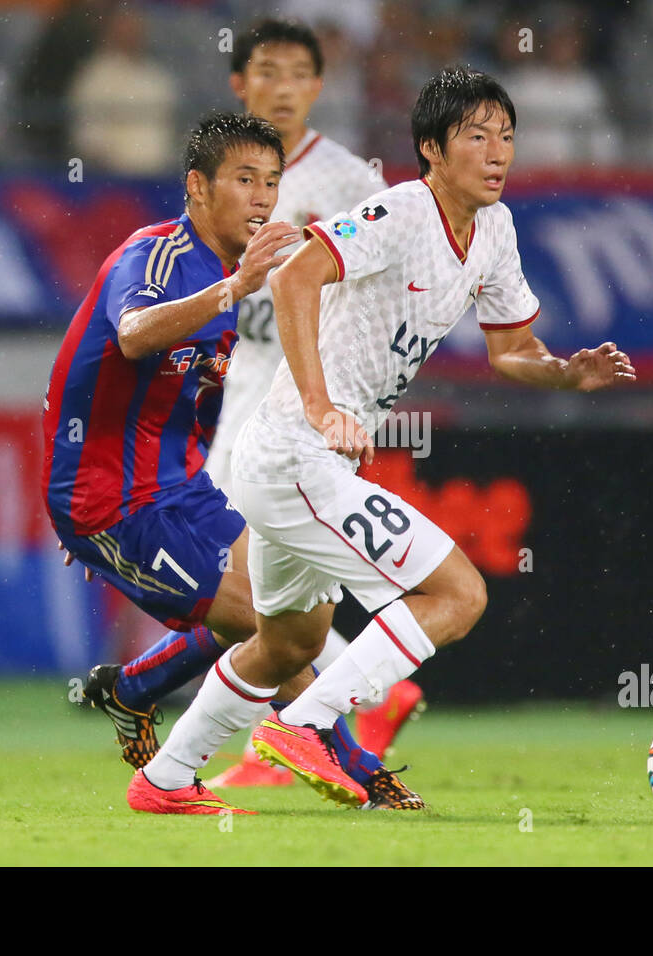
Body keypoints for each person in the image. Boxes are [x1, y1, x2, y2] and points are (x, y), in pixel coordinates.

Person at [139, 66, 636, 810]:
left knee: (289, 643)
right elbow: (294, 276)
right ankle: (307, 724)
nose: (498, 152)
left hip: (296, 462)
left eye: (507, 136)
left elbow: (511, 351)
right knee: (458, 593)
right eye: (477, 136)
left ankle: (166, 780)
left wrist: (568, 374)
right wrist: (319, 405)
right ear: (433, 150)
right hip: (294, 452)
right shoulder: (401, 213)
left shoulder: (493, 230)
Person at [42, 112, 407, 814]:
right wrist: (81, 522)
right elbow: (131, 335)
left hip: (179, 485)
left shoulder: (232, 280)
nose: (263, 197)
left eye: (271, 181)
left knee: (288, 615)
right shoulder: (153, 259)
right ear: (197, 188)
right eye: (245, 180)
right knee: (256, 621)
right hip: (109, 501)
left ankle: (133, 690)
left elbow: (197, 394)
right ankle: (352, 765)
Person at [202, 18, 425, 788]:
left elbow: (391, 291)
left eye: (300, 73)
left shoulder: (351, 183)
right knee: (250, 591)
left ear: (319, 87)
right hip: (239, 397)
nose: (283, 87)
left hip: (299, 408)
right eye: (267, 71)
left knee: (237, 586)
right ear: (241, 83)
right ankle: (334, 714)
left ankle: (314, 724)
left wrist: (351, 397)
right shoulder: (224, 168)